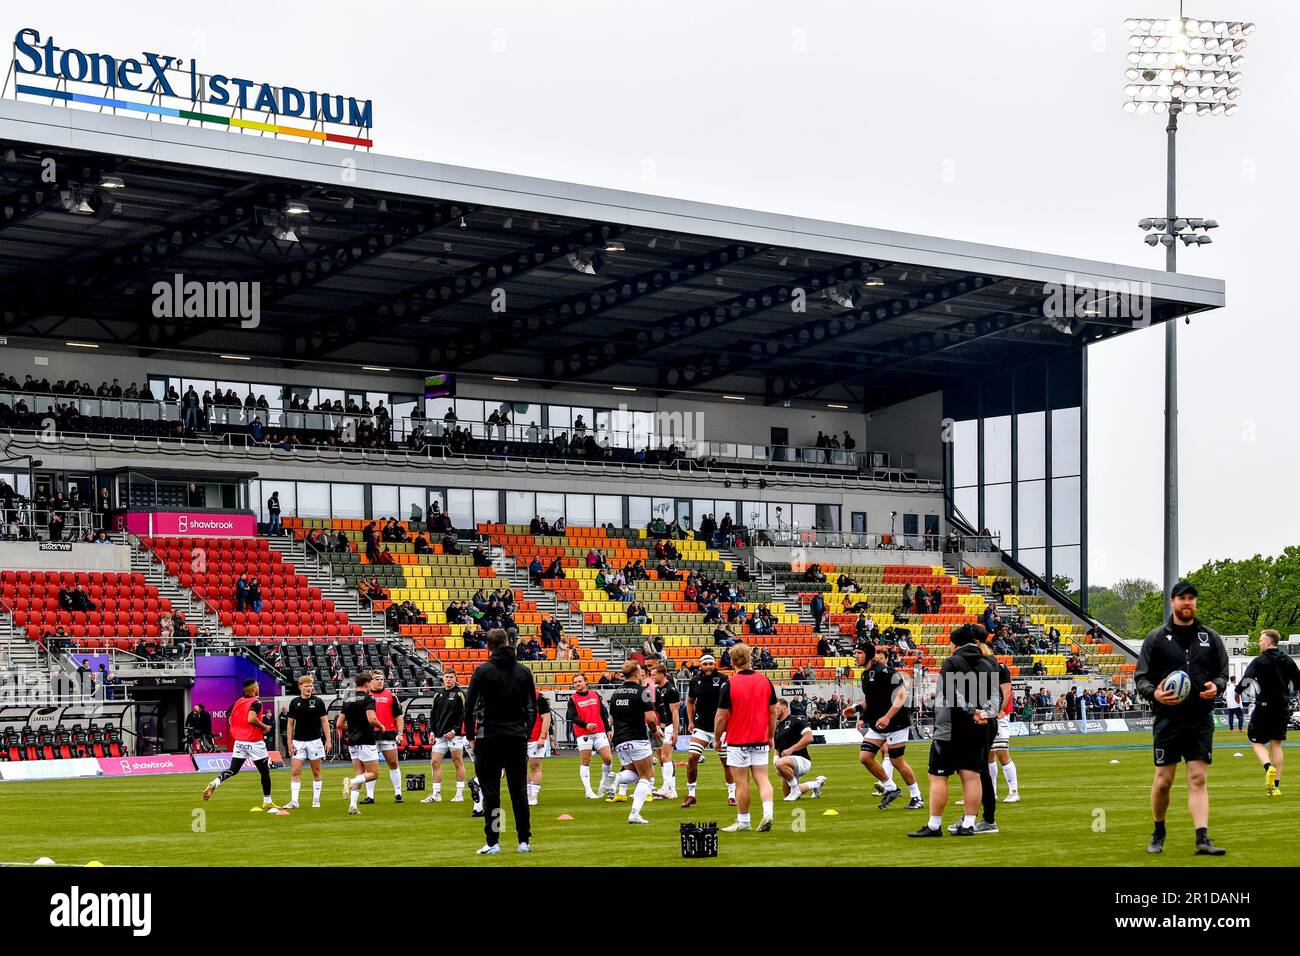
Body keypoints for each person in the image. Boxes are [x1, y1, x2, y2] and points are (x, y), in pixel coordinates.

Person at [1134, 581, 1228, 855]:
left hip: (1200, 718)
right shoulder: (1155, 638)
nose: (1187, 603)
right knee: (1164, 780)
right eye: (1182, 598)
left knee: (1198, 778)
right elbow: (1141, 677)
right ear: (1173, 602)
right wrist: (1155, 694)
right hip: (1168, 720)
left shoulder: (1210, 637)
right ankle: (1158, 830)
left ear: (1195, 603)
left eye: (1192, 599)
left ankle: (1202, 838)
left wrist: (1217, 686)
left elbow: (1222, 673)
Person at [908, 624, 999, 838]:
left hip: (950, 729)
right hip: (978, 729)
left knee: (938, 777)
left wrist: (970, 712)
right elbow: (996, 697)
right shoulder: (988, 664)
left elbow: (951, 692)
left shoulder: (952, 662)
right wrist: (984, 714)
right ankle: (968, 824)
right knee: (972, 776)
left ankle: (934, 825)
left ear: (954, 644)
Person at [463, 628, 537, 855]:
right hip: (516, 737)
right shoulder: (524, 672)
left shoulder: (482, 671)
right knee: (519, 791)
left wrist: (470, 737)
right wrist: (525, 731)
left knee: (492, 793)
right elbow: (532, 708)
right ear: (508, 642)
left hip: (489, 738)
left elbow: (469, 707)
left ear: (488, 647)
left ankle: (493, 841)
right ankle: (523, 840)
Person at [850, 643, 924, 811]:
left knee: (898, 762)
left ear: (868, 655)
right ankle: (891, 788)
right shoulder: (865, 675)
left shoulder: (885, 672)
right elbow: (870, 700)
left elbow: (902, 695)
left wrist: (887, 716)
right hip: (878, 724)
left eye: (859, 653)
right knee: (865, 757)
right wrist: (856, 709)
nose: (856, 656)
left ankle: (916, 796)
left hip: (896, 723)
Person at [714, 643, 777, 833]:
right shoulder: (765, 681)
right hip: (760, 738)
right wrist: (770, 736)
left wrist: (717, 738)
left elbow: (721, 716)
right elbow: (772, 713)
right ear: (751, 659)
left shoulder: (729, 684)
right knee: (763, 779)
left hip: (737, 740)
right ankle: (768, 812)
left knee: (742, 782)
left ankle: (744, 822)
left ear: (732, 662)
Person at [1236, 628, 1300, 798]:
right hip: (1282, 707)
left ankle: (1267, 767)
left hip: (1264, 706)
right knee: (1276, 745)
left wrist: (1237, 693)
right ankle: (1276, 787)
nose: (1259, 643)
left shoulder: (1259, 661)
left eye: (1261, 640)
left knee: (1256, 741)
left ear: (1269, 642)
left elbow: (1246, 680)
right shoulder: (1288, 660)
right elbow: (1298, 681)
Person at [201, 679, 277, 811]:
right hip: (254, 742)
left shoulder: (239, 701)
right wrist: (265, 726)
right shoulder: (256, 702)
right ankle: (267, 801)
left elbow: (228, 715)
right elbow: (251, 719)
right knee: (265, 772)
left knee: (233, 769)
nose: (258, 687)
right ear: (253, 688)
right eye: (257, 685)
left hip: (240, 742)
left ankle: (215, 782)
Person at [606, 660, 659, 824]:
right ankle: (634, 814)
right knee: (646, 776)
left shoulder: (616, 694)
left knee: (634, 775)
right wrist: (656, 731)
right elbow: (650, 718)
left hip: (620, 740)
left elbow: (611, 719)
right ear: (637, 673)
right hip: (637, 737)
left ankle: (617, 777)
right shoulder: (642, 692)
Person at [681, 654, 736, 808]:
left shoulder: (724, 679)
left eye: (711, 663)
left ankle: (732, 795)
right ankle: (691, 794)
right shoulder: (694, 681)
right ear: (701, 665)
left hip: (722, 728)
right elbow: (690, 701)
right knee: (692, 758)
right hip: (702, 727)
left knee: (726, 762)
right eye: (705, 664)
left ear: (715, 664)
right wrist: (691, 721)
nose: (708, 667)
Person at [337, 674, 385, 816]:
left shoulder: (348, 699)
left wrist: (351, 729)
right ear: (367, 684)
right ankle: (350, 782)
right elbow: (372, 719)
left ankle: (352, 805)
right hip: (366, 739)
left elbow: (339, 724)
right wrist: (381, 726)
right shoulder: (368, 699)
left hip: (353, 741)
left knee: (360, 772)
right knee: (373, 774)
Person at [423, 670, 472, 804]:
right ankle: (436, 794)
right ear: (443, 678)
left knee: (457, 761)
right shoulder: (438, 694)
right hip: (439, 735)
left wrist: (455, 731)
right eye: (446, 677)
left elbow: (464, 714)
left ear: (455, 678)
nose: (448, 679)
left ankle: (459, 793)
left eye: (451, 677)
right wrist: (432, 731)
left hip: (454, 736)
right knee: (435, 762)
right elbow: (432, 714)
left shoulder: (460, 694)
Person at [284, 675, 330, 809]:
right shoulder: (294, 702)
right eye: (306, 686)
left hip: (315, 741)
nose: (309, 688)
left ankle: (316, 800)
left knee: (316, 771)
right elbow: (290, 724)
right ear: (300, 687)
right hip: (298, 742)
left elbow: (325, 721)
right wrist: (289, 741)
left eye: (310, 686)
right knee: (295, 771)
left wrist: (328, 740)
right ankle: (294, 801)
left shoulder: (318, 701)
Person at [566, 673, 614, 799]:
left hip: (599, 731)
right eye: (575, 682)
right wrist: (585, 725)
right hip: (584, 733)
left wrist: (608, 729)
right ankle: (588, 790)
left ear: (586, 682)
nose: (577, 684)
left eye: (579, 681)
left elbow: (603, 712)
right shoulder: (573, 699)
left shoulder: (595, 695)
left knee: (608, 758)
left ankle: (603, 783)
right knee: (585, 761)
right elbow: (572, 716)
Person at [774, 696, 825, 801]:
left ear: (784, 708)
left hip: (802, 759)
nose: (774, 710)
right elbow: (777, 749)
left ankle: (795, 789)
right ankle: (815, 784)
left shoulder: (795, 721)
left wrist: (791, 749)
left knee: (780, 764)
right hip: (787, 763)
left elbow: (809, 737)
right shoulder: (778, 727)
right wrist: (776, 763)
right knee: (787, 795)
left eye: (776, 708)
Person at [367, 672, 406, 804]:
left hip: (388, 734)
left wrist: (400, 733)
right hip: (370, 735)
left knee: (393, 763)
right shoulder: (366, 696)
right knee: (371, 768)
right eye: (376, 679)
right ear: (370, 681)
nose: (379, 681)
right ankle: (370, 796)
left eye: (381, 679)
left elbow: (399, 715)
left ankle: (398, 793)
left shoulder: (391, 696)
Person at [649, 662, 681, 799]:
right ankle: (671, 790)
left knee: (665, 757)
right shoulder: (654, 689)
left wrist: (675, 730)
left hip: (668, 726)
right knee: (662, 759)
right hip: (658, 727)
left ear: (662, 675)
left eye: (653, 675)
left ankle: (665, 787)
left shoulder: (671, 690)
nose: (651, 677)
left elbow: (675, 712)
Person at [525, 685, 552, 807]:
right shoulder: (514, 695)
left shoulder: (539, 697)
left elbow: (546, 718)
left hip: (536, 737)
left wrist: (543, 736)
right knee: (520, 768)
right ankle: (527, 793)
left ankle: (534, 796)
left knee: (534, 765)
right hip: (519, 737)